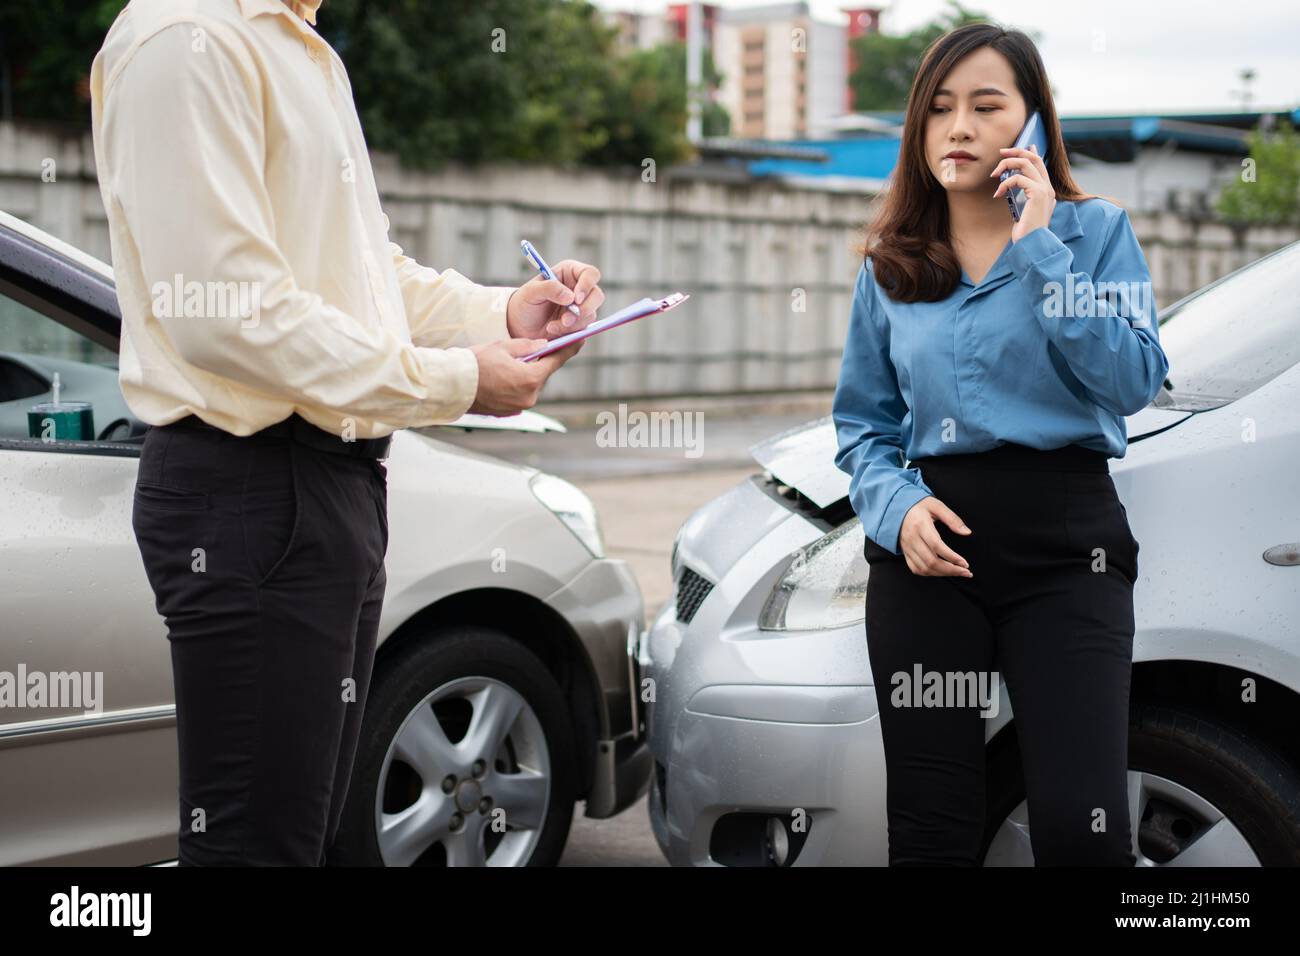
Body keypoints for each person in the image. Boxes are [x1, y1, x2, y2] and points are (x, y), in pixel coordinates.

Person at [89, 0, 605, 865]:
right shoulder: (187, 36)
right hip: (253, 486)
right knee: (258, 846)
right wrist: (461, 379)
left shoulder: (303, 47)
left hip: (330, 485)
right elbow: (229, 314)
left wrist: (504, 309)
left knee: (306, 832)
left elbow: (366, 276)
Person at [832, 22, 1170, 866]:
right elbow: (862, 428)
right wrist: (897, 508)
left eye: (988, 106)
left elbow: (1131, 382)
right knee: (931, 827)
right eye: (940, 108)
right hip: (929, 555)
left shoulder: (1095, 234)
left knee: (1079, 828)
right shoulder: (891, 266)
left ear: (1031, 125)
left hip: (1067, 554)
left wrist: (1039, 249)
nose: (959, 127)